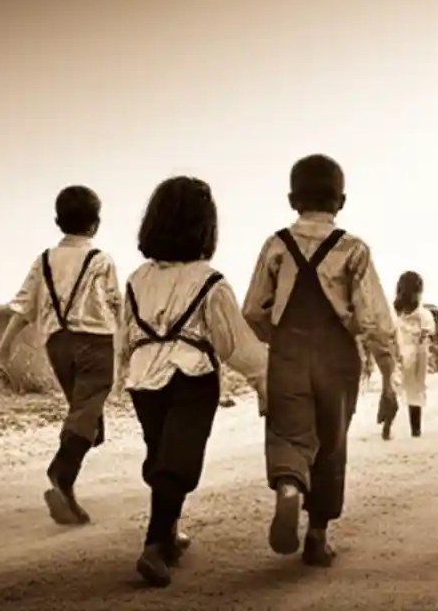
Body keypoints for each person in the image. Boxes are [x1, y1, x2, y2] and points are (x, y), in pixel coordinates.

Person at [243, 153, 399, 568]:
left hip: (289, 353)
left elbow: (254, 311)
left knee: (289, 432)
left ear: (292, 199)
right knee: (331, 442)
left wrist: (279, 339)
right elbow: (376, 321)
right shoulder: (353, 249)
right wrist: (387, 378)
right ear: (341, 201)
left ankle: (290, 487)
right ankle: (317, 535)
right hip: (338, 358)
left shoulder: (276, 244)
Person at [117, 176, 269, 587]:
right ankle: (154, 545)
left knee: (161, 454)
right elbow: (234, 344)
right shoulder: (210, 281)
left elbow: (124, 334)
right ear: (206, 227)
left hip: (143, 378)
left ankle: (169, 530)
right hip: (192, 377)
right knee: (178, 461)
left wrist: (119, 381)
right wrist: (263, 381)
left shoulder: (136, 279)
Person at [0, 185, 120, 526]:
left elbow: (23, 306)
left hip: (57, 345)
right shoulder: (101, 260)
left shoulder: (44, 260)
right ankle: (62, 475)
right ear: (96, 223)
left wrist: (5, 346)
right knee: (87, 409)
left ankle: (70, 477)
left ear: (57, 221)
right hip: (95, 342)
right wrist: (129, 344)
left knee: (86, 414)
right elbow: (114, 305)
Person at [392, 271, 435, 438]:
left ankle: (387, 424)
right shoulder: (424, 314)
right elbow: (427, 336)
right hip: (417, 355)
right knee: (415, 392)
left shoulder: (395, 312)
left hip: (398, 353)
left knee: (394, 389)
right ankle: (415, 430)